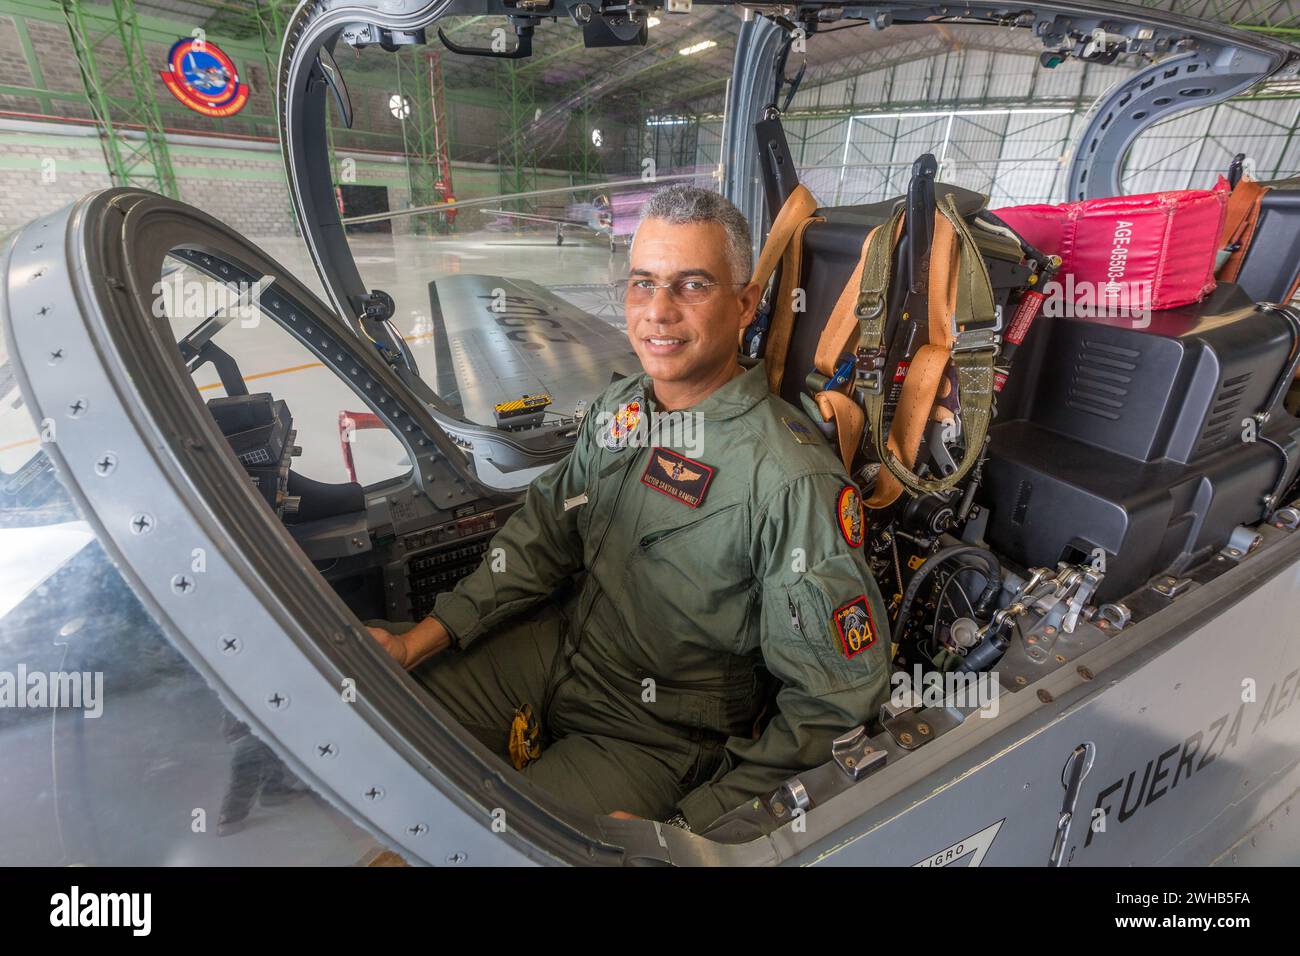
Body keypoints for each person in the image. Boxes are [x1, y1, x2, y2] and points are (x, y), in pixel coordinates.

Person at [367, 184, 890, 833]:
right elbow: (541, 536)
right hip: (560, 651)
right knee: (380, 723)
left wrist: (693, 832)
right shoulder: (621, 409)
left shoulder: (789, 482)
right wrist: (423, 637)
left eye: (692, 286)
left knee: (474, 846)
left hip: (652, 736)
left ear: (745, 302)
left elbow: (832, 708)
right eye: (643, 283)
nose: (657, 312)